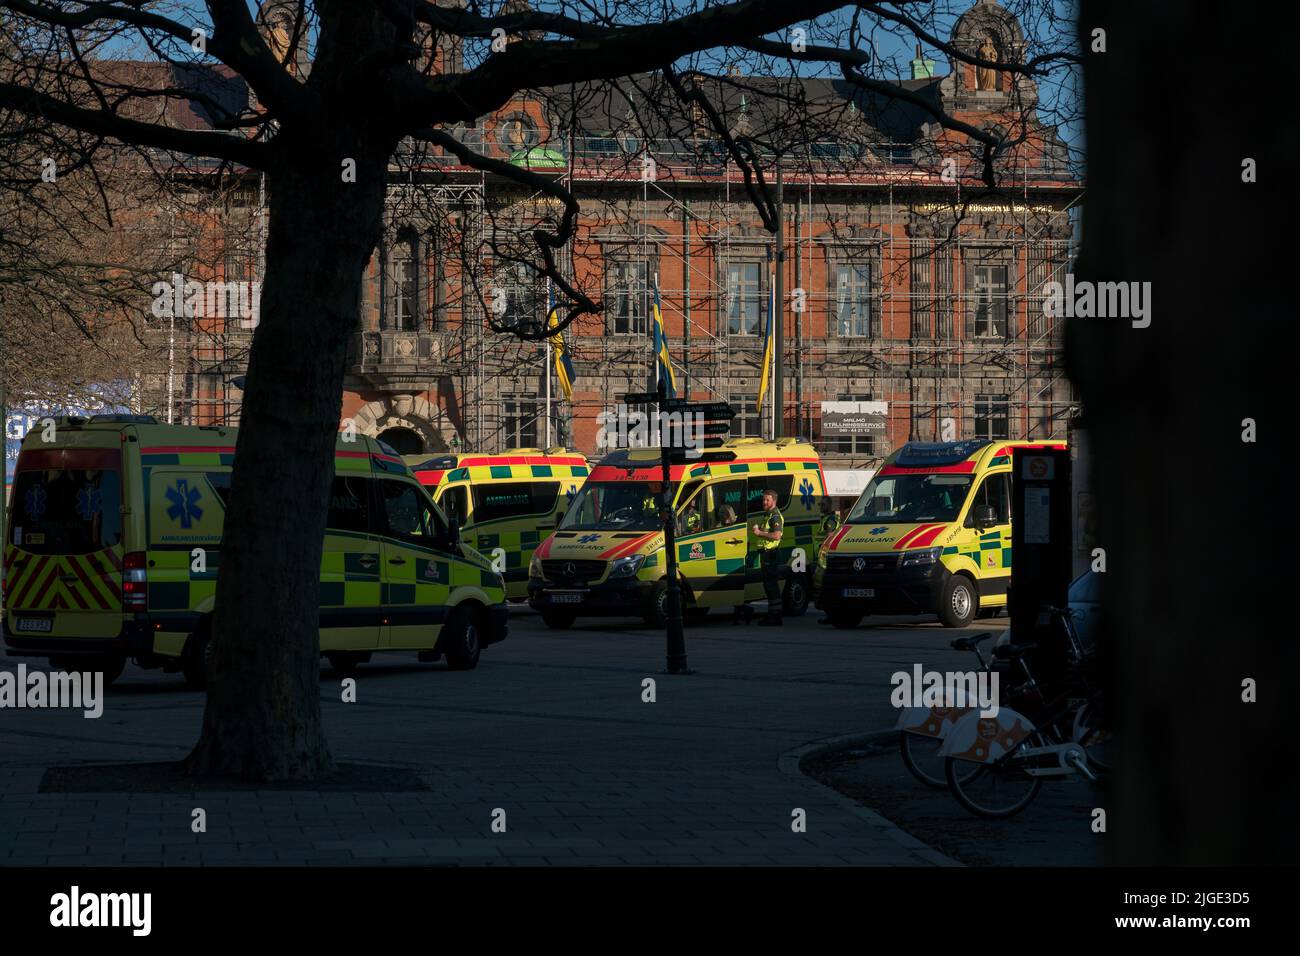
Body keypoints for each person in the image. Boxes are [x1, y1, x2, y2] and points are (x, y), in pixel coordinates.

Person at [750, 488, 785, 625]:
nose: (764, 502)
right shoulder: (768, 515)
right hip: (766, 554)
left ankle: (775, 616)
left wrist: (759, 533)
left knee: (771, 586)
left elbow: (776, 535)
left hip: (771, 554)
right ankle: (773, 615)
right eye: (763, 499)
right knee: (769, 585)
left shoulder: (775, 516)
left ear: (774, 501)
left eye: (767, 500)